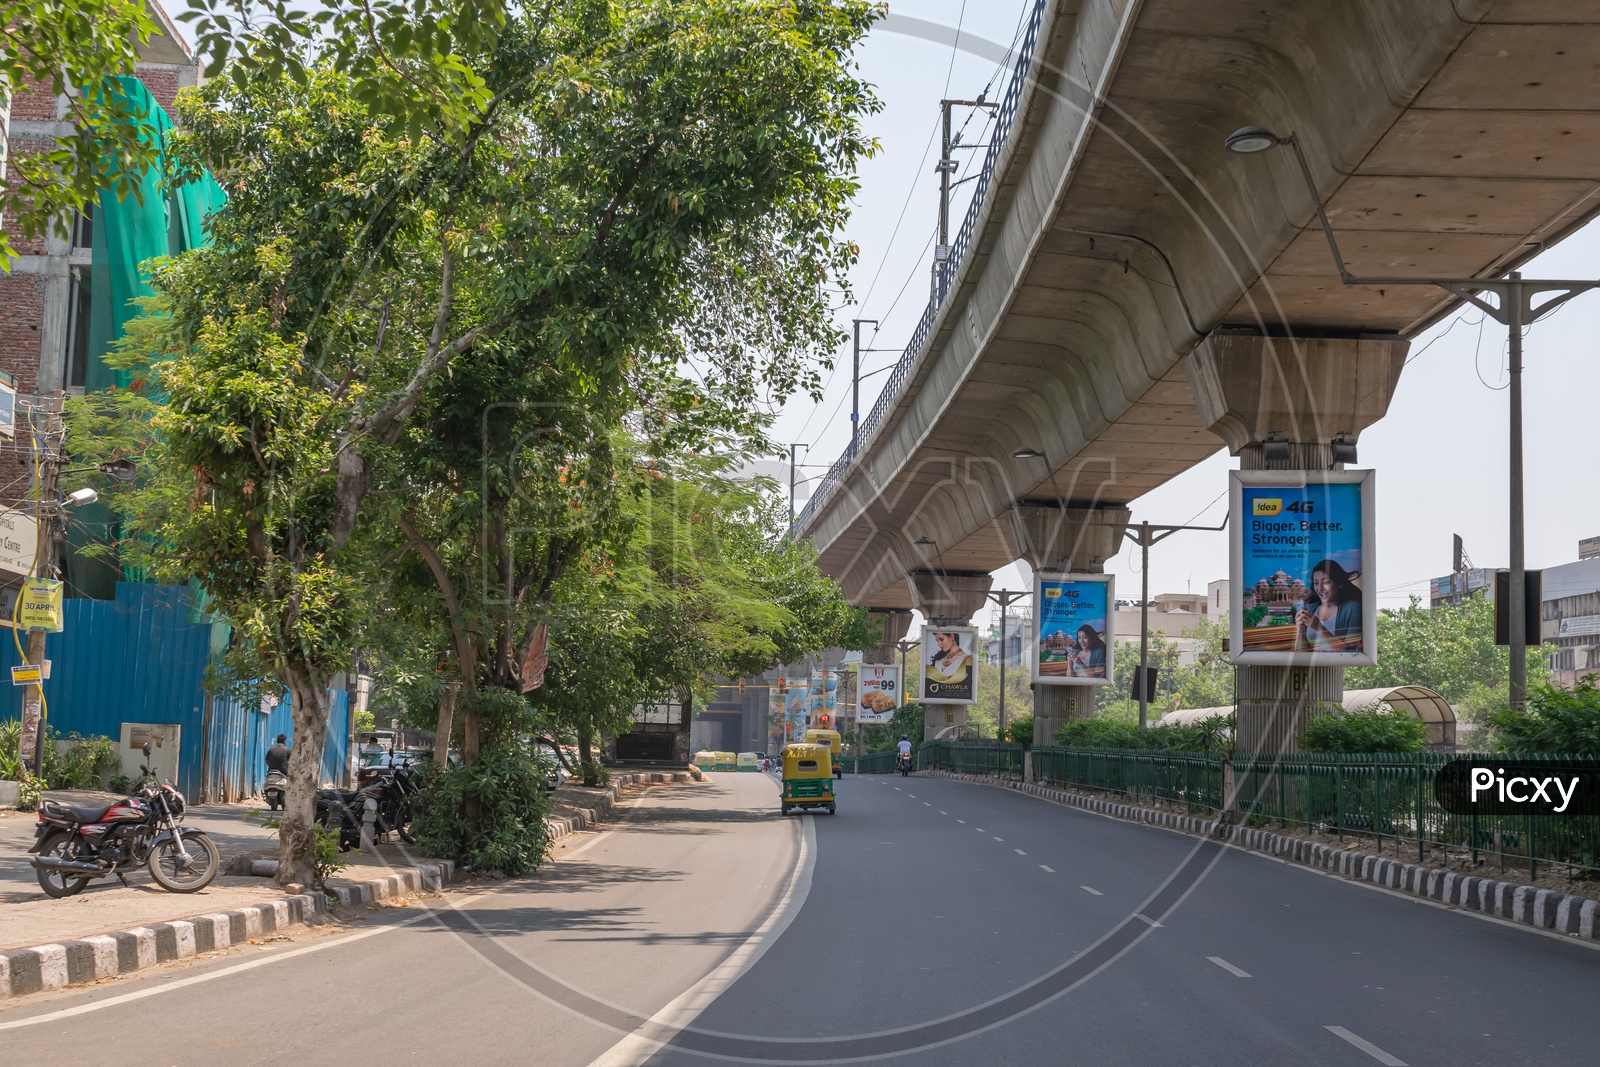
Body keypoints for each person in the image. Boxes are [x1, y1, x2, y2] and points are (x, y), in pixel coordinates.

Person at [1296, 559, 1364, 651]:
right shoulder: (1310, 609)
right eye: (1316, 583)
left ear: (1339, 583)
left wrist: (1320, 628)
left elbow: (1351, 651)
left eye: (1326, 582)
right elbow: (1300, 653)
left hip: (1334, 665)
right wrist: (1300, 629)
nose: (1320, 588)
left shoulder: (1352, 608)